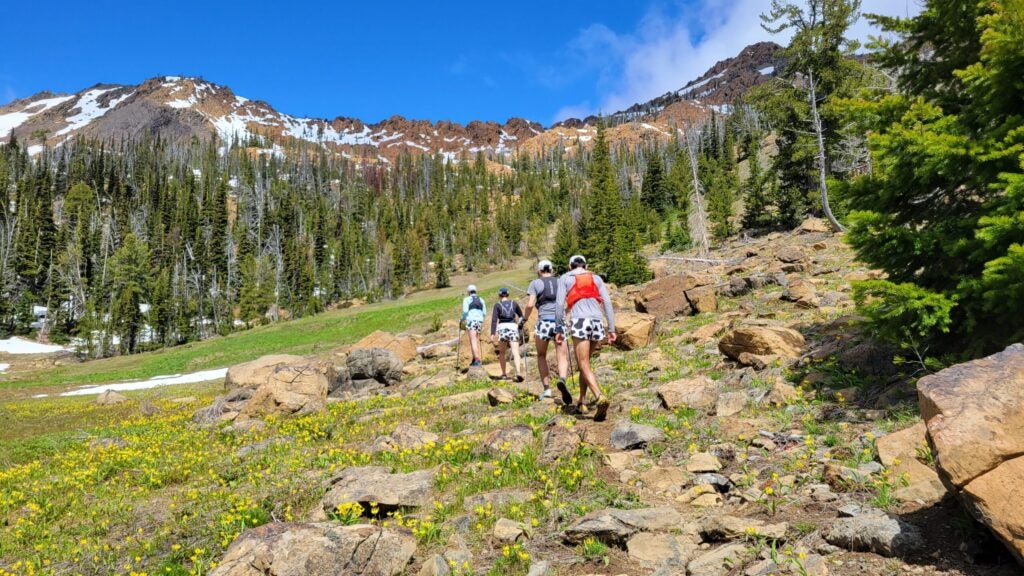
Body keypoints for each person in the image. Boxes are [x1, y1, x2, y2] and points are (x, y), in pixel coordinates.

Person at [555, 254, 616, 421]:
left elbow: (560, 304)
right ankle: (581, 401)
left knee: (583, 363)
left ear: (570, 266)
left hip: (580, 321)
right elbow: (607, 303)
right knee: (586, 363)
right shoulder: (595, 278)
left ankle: (599, 396)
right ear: (585, 265)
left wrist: (559, 327)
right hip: (597, 321)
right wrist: (611, 328)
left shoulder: (565, 278)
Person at [523, 259, 570, 400]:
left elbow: (530, 305)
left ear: (539, 271)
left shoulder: (535, 283)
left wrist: (524, 319)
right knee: (562, 356)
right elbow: (567, 303)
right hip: (559, 323)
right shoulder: (560, 282)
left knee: (541, 355)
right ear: (552, 269)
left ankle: (547, 389)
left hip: (544, 323)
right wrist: (564, 317)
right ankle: (562, 378)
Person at [490, 287, 525, 381]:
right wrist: (520, 325)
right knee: (516, 351)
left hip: (502, 329)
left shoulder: (497, 305)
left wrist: (492, 334)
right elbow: (521, 316)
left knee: (502, 352)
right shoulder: (514, 303)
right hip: (513, 327)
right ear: (508, 295)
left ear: (499, 295)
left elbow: (494, 320)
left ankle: (504, 374)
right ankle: (518, 372)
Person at [461, 284, 485, 367]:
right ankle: (474, 359)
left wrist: (461, 319)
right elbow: (484, 312)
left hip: (471, 321)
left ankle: (477, 359)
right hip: (479, 321)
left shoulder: (467, 299)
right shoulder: (481, 299)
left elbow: (465, 312)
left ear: (468, 292)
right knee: (476, 339)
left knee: (473, 340)